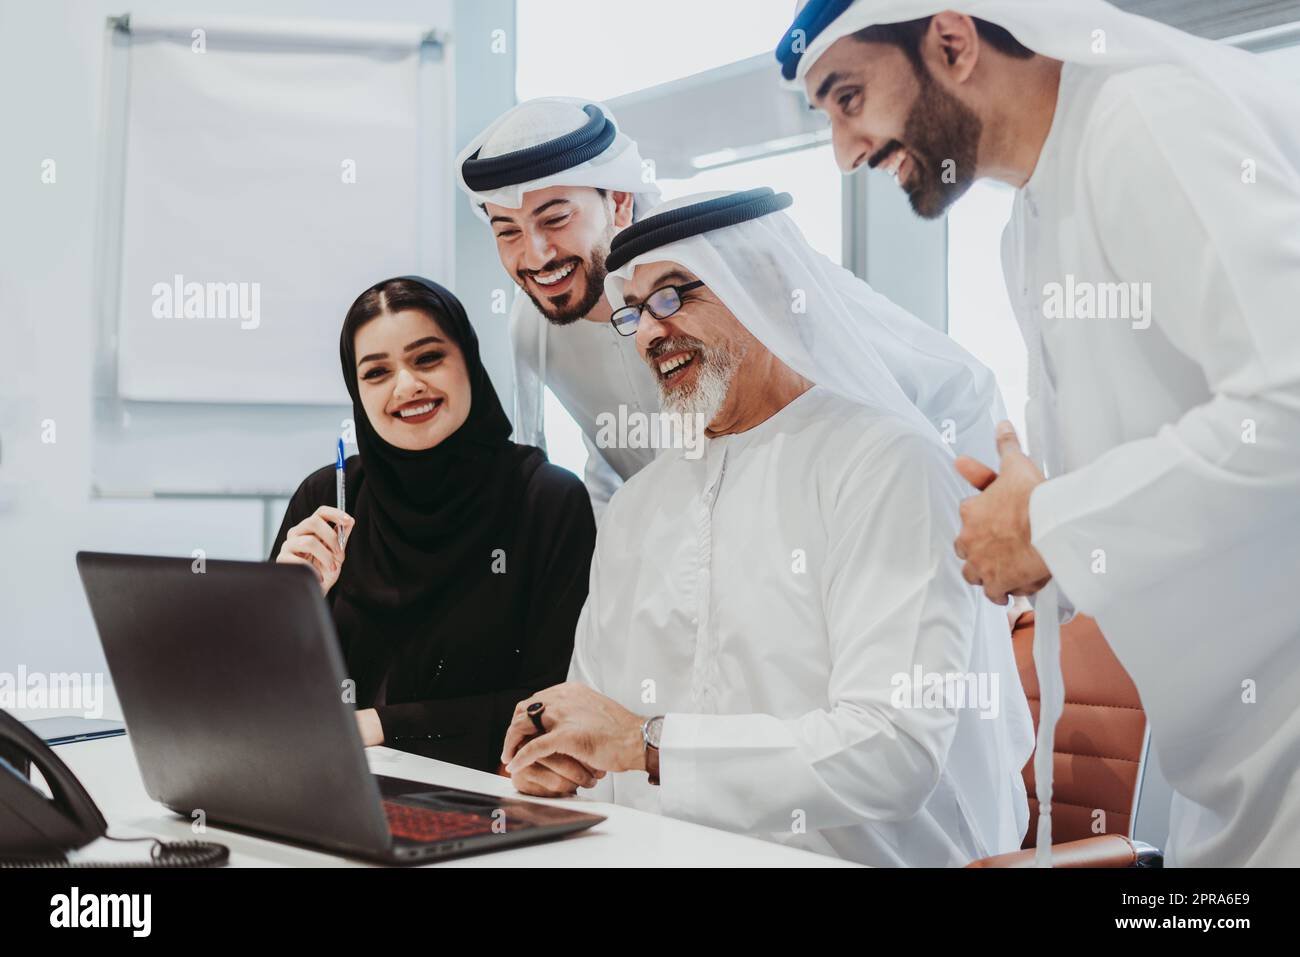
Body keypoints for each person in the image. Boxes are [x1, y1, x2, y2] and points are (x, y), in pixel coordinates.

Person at [778, 0, 1300, 865]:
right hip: (1232, 771)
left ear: (951, 42)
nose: (847, 149)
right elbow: (1164, 464)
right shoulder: (1028, 229)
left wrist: (1050, 522)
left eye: (848, 97)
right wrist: (1030, 523)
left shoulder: (1143, 122)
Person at [500, 191, 1034, 867]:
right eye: (633, 312)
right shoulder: (640, 505)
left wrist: (646, 743)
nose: (646, 333)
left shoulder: (887, 465)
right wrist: (564, 758)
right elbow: (599, 721)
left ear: (769, 291)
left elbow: (891, 751)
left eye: (671, 297)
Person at [456, 97, 1011, 517]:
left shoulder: (718, 267)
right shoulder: (535, 328)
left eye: (555, 219)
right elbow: (609, 461)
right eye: (507, 231)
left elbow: (946, 384)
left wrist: (992, 544)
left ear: (618, 200)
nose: (536, 254)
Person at [270, 277, 597, 777]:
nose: (406, 386)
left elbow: (550, 703)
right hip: (328, 787)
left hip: (491, 803)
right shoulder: (329, 502)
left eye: (427, 359)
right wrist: (284, 608)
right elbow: (264, 703)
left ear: (468, 358)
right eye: (376, 372)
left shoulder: (546, 501)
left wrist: (381, 726)